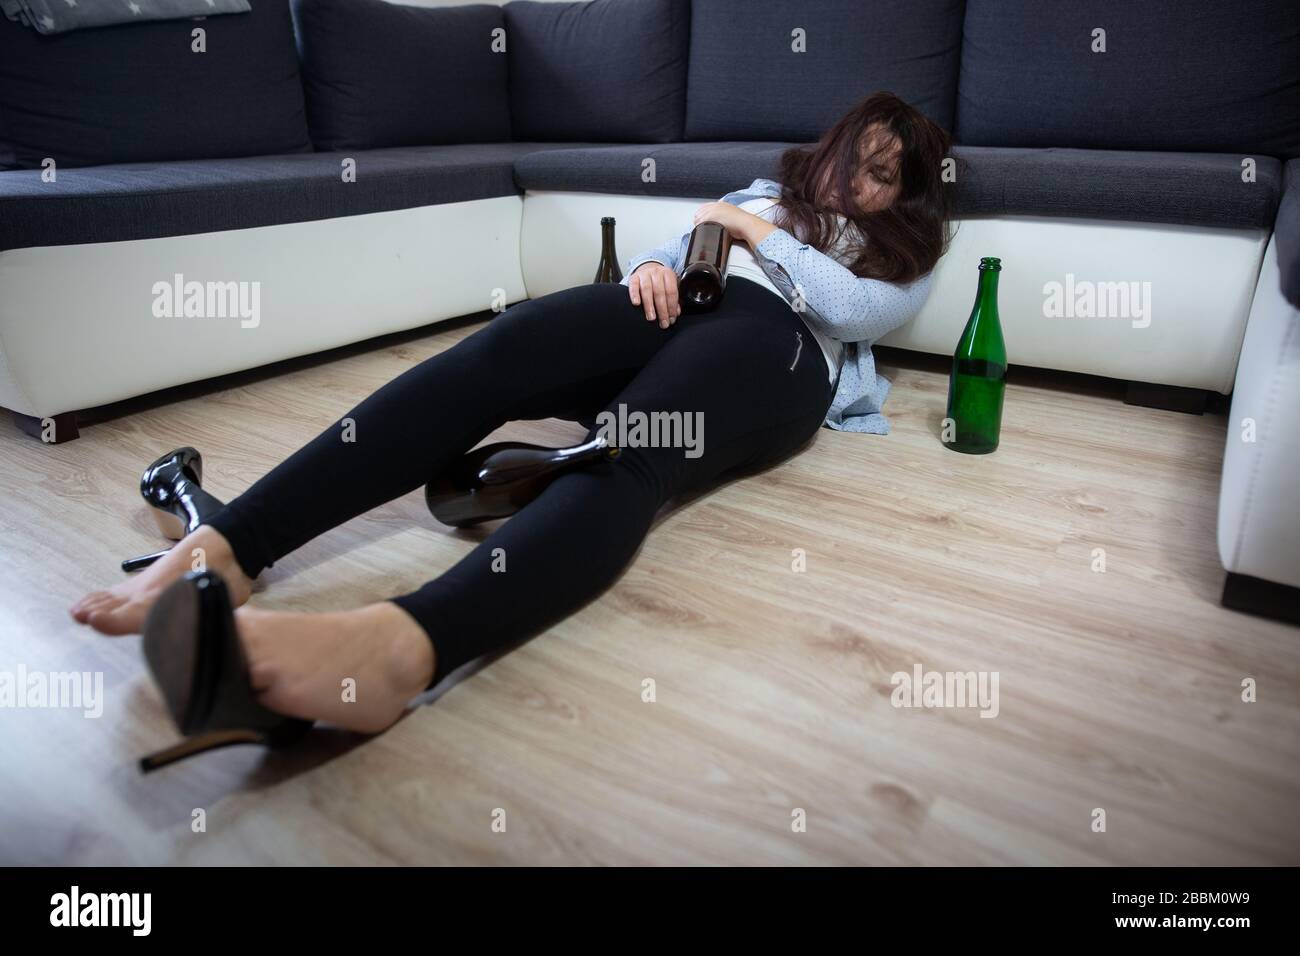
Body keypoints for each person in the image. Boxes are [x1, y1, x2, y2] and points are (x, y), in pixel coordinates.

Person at [69, 91, 953, 758]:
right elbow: (679, 248)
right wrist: (654, 264)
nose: (855, 183)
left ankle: (400, 649)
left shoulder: (902, 257)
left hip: (778, 351)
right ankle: (230, 545)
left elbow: (848, 309)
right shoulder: (761, 193)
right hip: (682, 304)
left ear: (906, 199)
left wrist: (738, 230)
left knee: (635, 438)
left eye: (883, 176)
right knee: (502, 349)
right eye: (852, 159)